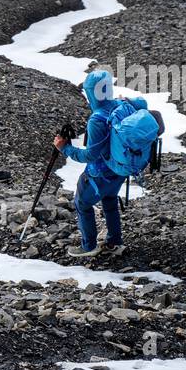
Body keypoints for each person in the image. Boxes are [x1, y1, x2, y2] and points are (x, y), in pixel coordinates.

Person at [55, 69, 125, 258]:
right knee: (109, 200)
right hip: (119, 170)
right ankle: (114, 242)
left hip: (99, 172)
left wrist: (65, 148)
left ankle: (88, 246)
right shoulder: (121, 105)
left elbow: (91, 155)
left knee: (82, 203)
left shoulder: (97, 119)